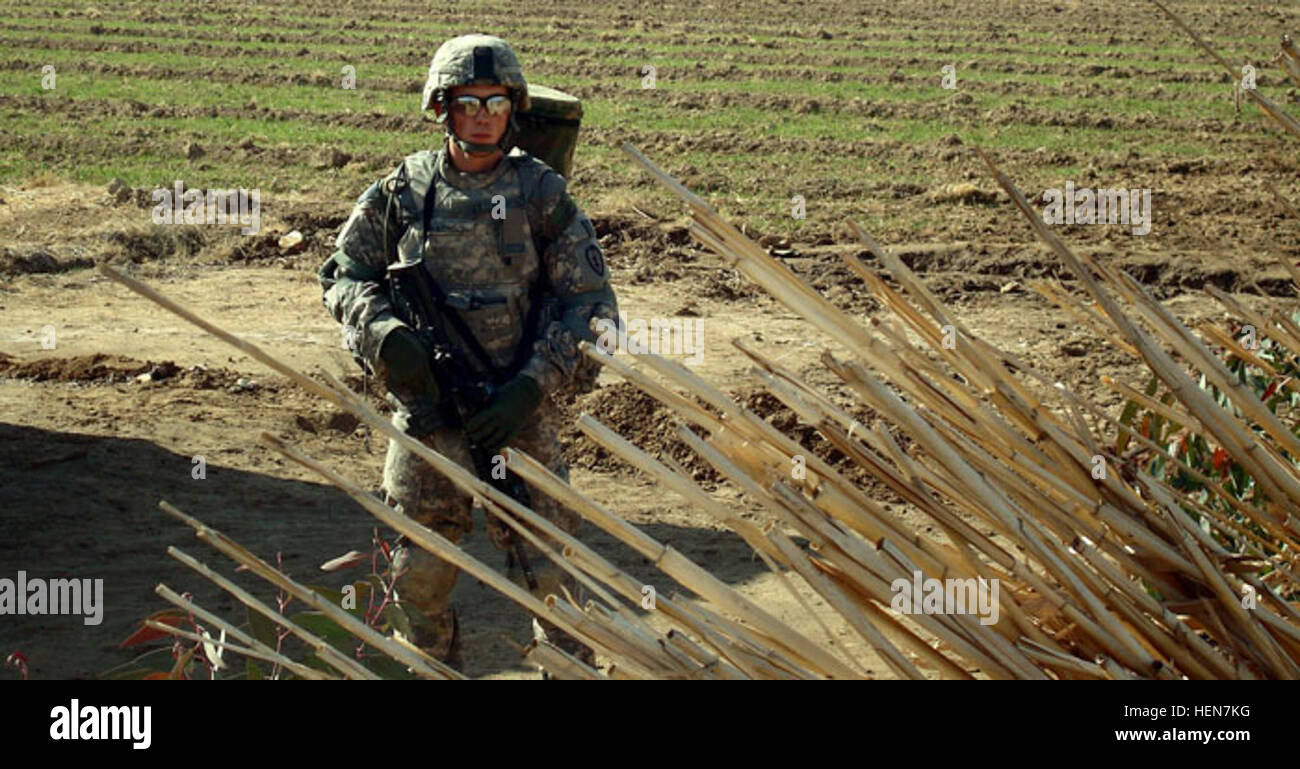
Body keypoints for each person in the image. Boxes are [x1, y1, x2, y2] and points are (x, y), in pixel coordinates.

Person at [317, 34, 618, 671]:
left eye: (496, 103)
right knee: (417, 574)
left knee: (552, 570)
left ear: (515, 109)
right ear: (441, 107)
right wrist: (383, 336)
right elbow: (342, 275)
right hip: (429, 416)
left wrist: (533, 386)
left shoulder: (542, 195)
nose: (482, 116)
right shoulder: (402, 191)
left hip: (516, 415)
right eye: (468, 102)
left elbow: (590, 306)